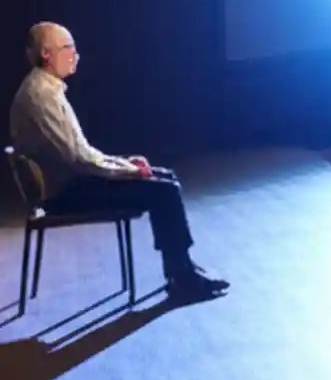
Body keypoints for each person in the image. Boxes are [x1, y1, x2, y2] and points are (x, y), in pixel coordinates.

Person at [9, 22, 229, 301]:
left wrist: (123, 162)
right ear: (46, 54)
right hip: (65, 192)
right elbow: (77, 159)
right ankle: (182, 277)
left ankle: (179, 267)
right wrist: (127, 171)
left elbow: (79, 151)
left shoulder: (46, 89)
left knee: (164, 176)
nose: (76, 54)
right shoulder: (41, 96)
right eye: (68, 47)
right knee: (164, 190)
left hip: (71, 180)